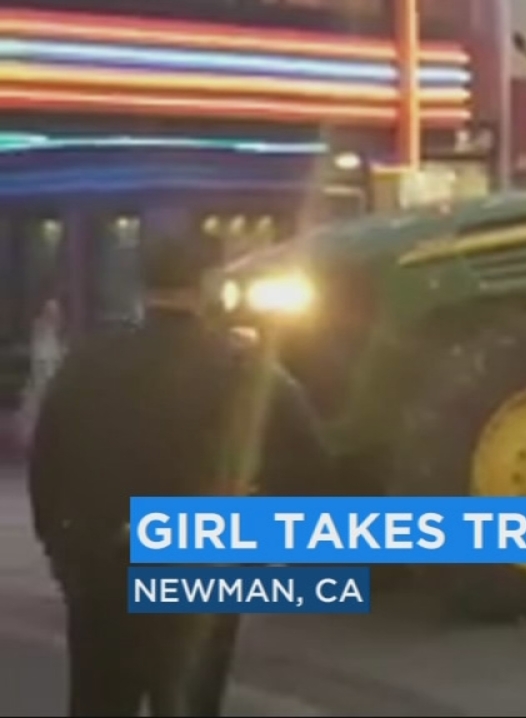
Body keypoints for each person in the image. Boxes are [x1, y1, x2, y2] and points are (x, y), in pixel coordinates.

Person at [28, 232, 326, 716]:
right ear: (208, 286)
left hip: (104, 565)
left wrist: (63, 551)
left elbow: (47, 460)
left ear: (142, 286)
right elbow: (309, 464)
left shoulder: (87, 362)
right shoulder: (244, 367)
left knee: (100, 700)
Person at [13, 296, 65, 454]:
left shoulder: (56, 335)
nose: (55, 315)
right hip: (41, 385)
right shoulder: (40, 332)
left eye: (56, 312)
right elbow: (40, 360)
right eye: (51, 311)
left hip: (51, 384)